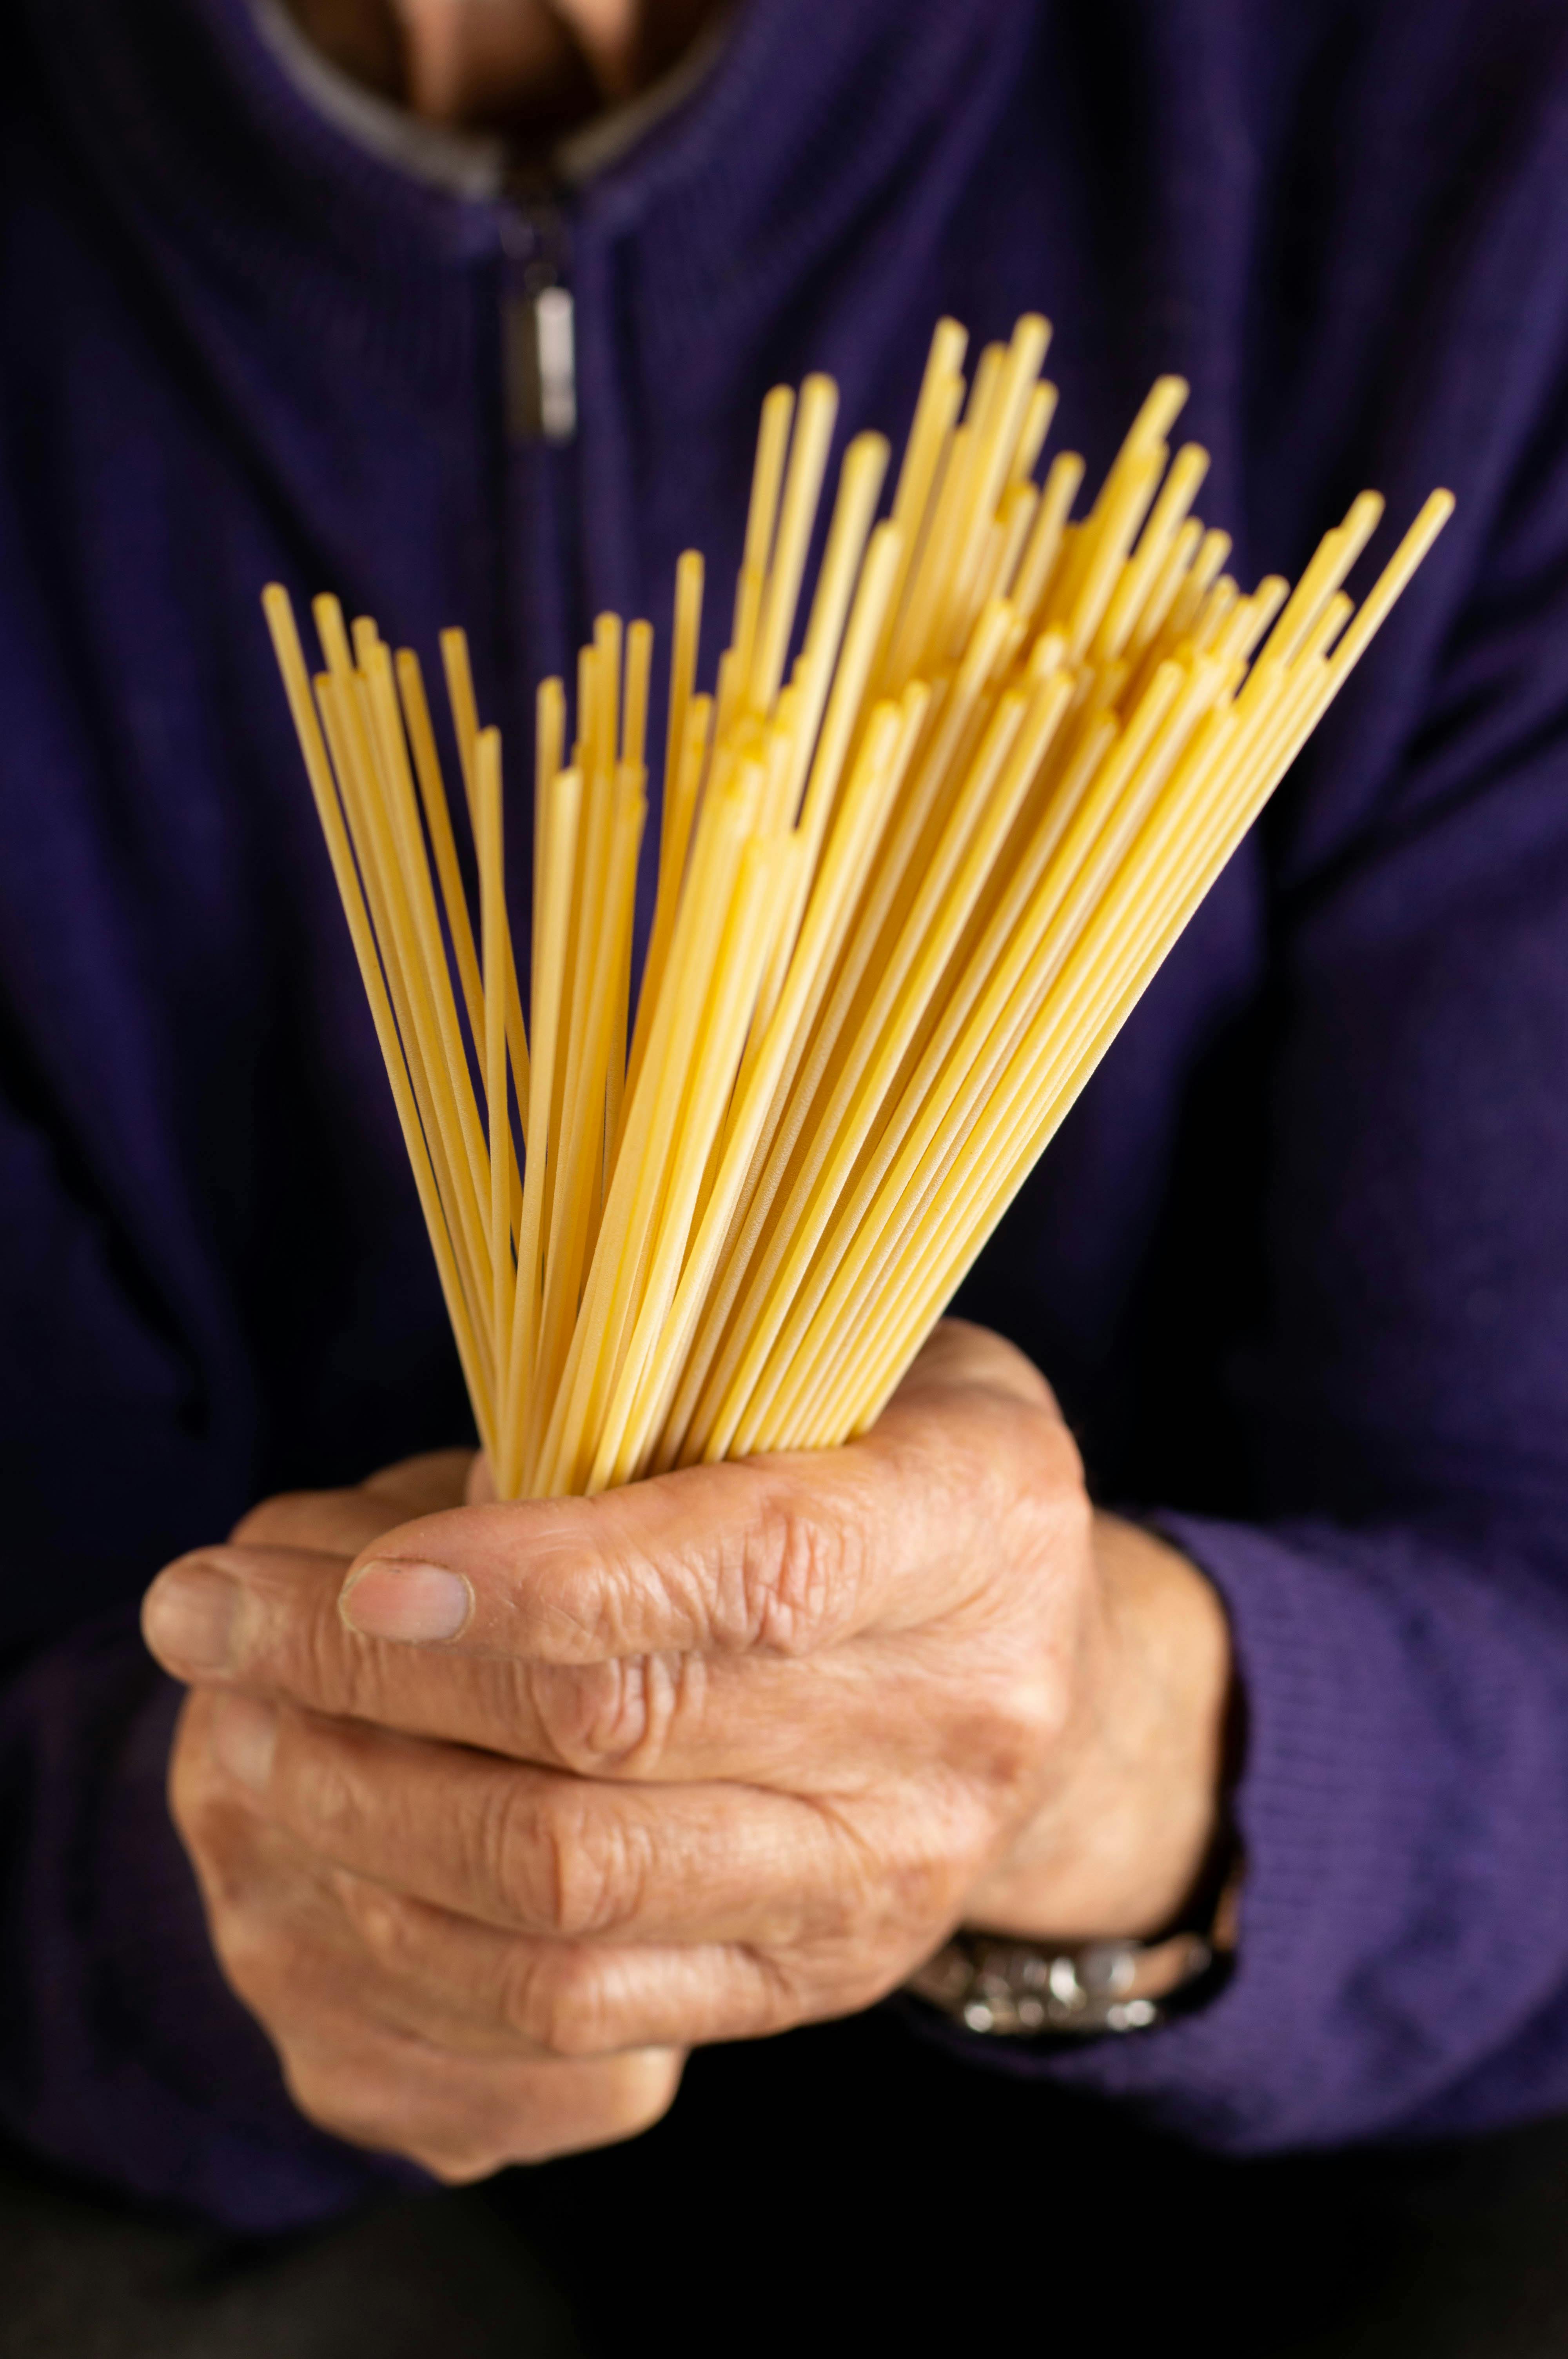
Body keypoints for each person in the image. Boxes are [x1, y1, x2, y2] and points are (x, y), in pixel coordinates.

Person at [4, 0, 1568, 2349]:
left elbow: (1527, 1610)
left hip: (1264, 2131)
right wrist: (249, 1884)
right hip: (251, 2161)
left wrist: (1095, 1727)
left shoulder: (1446, 152)